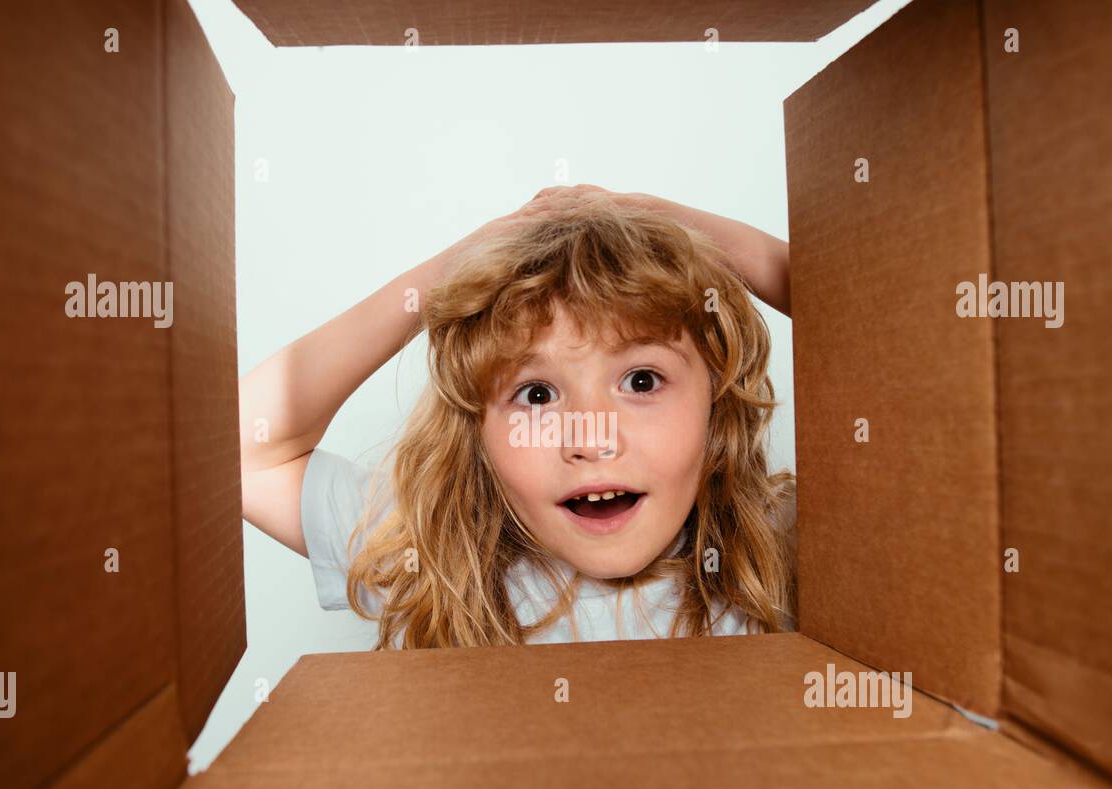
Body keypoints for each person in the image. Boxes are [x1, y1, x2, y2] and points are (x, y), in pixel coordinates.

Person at [239, 184, 796, 649]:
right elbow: (236, 451)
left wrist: (663, 222)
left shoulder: (779, 547)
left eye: (641, 381)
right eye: (536, 395)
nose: (591, 438)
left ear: (716, 405)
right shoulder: (436, 561)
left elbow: (877, 317)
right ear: (478, 431)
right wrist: (451, 271)